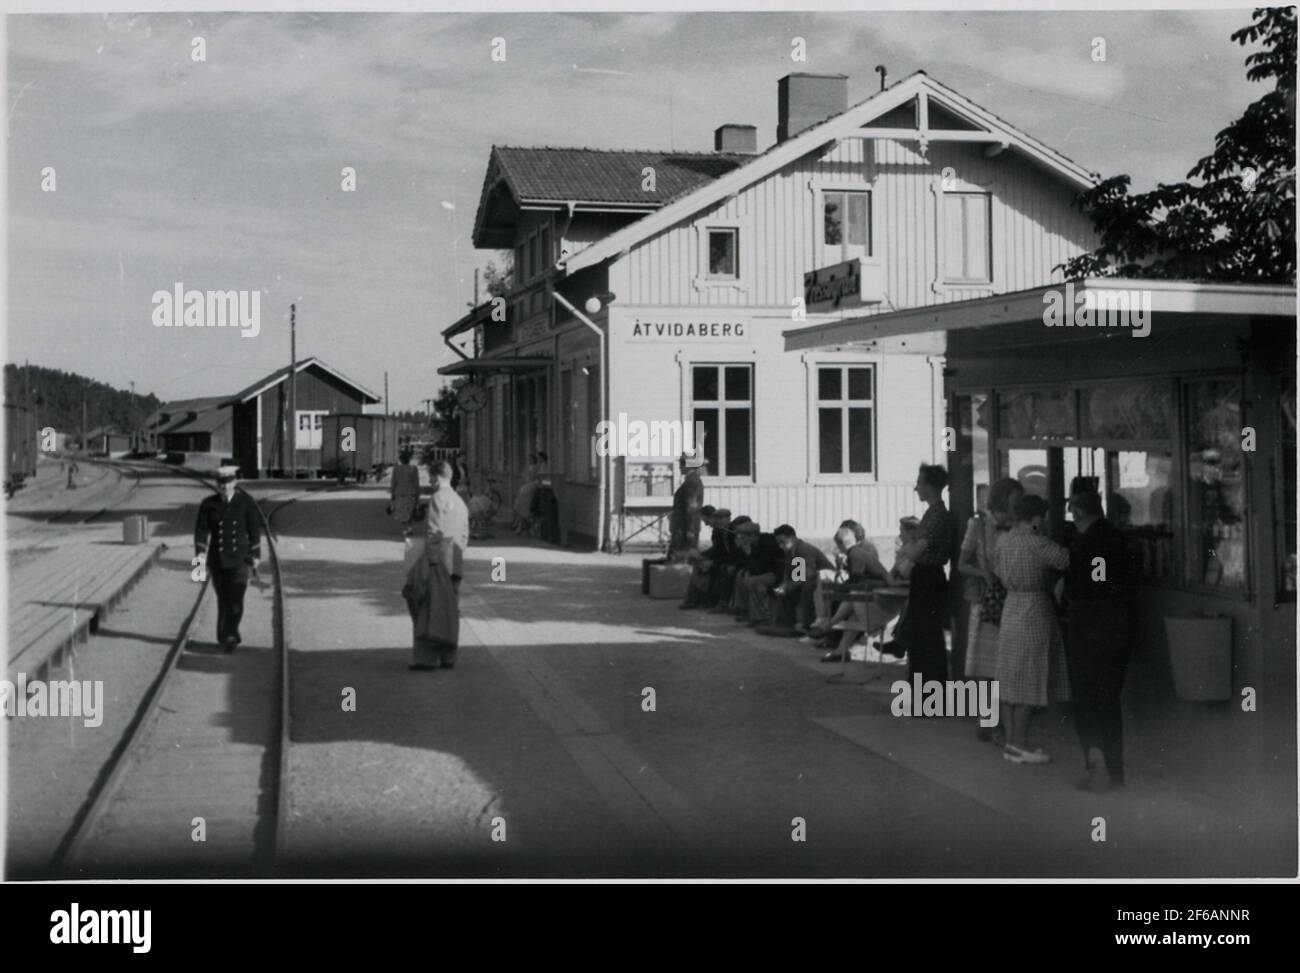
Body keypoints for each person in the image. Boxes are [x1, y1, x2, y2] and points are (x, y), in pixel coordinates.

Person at [1064, 488, 1139, 792]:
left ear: (1078, 512)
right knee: (1109, 702)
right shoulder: (1119, 538)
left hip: (1089, 635)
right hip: (1119, 633)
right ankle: (1115, 771)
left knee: (1087, 704)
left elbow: (1091, 588)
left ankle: (1095, 769)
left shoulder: (1087, 545)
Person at [993, 493, 1071, 764]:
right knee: (1030, 679)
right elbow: (1067, 560)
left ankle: (1011, 742)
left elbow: (997, 571)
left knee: (1010, 679)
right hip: (1035, 609)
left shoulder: (1003, 541)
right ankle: (1019, 742)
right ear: (1037, 518)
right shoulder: (1039, 543)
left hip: (1011, 608)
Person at [957, 477, 1024, 742]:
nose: (1017, 503)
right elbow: (961, 563)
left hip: (1013, 596)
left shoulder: (1019, 524)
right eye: (1014, 498)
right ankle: (989, 721)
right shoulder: (978, 523)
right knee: (987, 666)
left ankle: (1001, 723)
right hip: (987, 599)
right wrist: (983, 573)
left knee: (1006, 664)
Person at [896, 464, 958, 685]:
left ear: (930, 486)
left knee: (925, 638)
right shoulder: (933, 514)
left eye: (919, 483)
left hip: (928, 576)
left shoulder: (937, 516)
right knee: (923, 636)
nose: (916, 488)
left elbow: (915, 551)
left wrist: (907, 549)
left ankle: (928, 697)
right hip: (926, 575)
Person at [406, 460, 470, 672]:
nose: (430, 481)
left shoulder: (437, 499)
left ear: (436, 477)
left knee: (427, 606)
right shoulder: (460, 502)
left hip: (438, 559)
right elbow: (464, 534)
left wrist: (430, 560)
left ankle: (426, 659)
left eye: (431, 477)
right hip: (455, 560)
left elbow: (434, 532)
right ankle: (449, 656)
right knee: (451, 609)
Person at [193, 465, 262, 652]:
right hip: (217, 560)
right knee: (223, 599)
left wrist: (256, 555)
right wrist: (199, 556)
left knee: (236, 598)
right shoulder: (208, 504)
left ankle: (231, 634)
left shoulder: (246, 502)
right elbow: (201, 531)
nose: (224, 486)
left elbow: (254, 531)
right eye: (220, 483)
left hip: (240, 558)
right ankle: (224, 634)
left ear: (235, 482)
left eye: (228, 482)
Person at [760, 525, 834, 635]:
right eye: (778, 543)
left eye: (782, 542)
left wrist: (785, 587)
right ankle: (789, 621)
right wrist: (784, 585)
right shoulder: (792, 550)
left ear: (792, 538)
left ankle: (807, 624)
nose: (780, 546)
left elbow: (801, 577)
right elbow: (790, 574)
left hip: (821, 584)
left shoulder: (802, 550)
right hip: (809, 580)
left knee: (803, 589)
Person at [732, 522, 784, 624]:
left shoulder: (768, 543)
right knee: (740, 575)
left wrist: (748, 554)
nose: (740, 539)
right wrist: (742, 552)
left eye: (743, 537)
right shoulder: (751, 544)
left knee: (754, 581)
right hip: (762, 571)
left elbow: (760, 566)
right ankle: (745, 610)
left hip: (776, 573)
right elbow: (741, 563)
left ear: (753, 535)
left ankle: (763, 616)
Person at [679, 506, 729, 609]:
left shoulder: (722, 530)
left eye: (706, 521)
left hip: (724, 561)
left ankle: (697, 599)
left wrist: (711, 561)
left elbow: (725, 552)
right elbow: (717, 549)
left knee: (701, 568)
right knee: (697, 563)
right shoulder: (717, 530)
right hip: (721, 559)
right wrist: (702, 555)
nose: (706, 524)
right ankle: (694, 599)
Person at [667, 450, 705, 562]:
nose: (680, 466)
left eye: (683, 463)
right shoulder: (691, 481)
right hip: (682, 528)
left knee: (680, 560)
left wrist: (690, 530)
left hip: (684, 529)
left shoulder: (692, 482)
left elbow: (691, 507)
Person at [388, 448, 421, 533]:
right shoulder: (414, 468)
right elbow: (416, 483)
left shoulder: (396, 469)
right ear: (409, 459)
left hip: (399, 493)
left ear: (401, 460)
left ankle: (405, 528)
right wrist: (418, 495)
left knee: (402, 512)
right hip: (411, 493)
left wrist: (392, 495)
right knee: (410, 511)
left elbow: (393, 482)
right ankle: (409, 528)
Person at [513, 453, 541, 535]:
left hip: (529, 492)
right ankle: (519, 524)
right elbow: (523, 477)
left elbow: (536, 479)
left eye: (530, 459)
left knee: (525, 508)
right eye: (528, 459)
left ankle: (521, 526)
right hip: (524, 490)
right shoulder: (527, 468)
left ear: (534, 460)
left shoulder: (536, 468)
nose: (529, 461)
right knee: (519, 504)